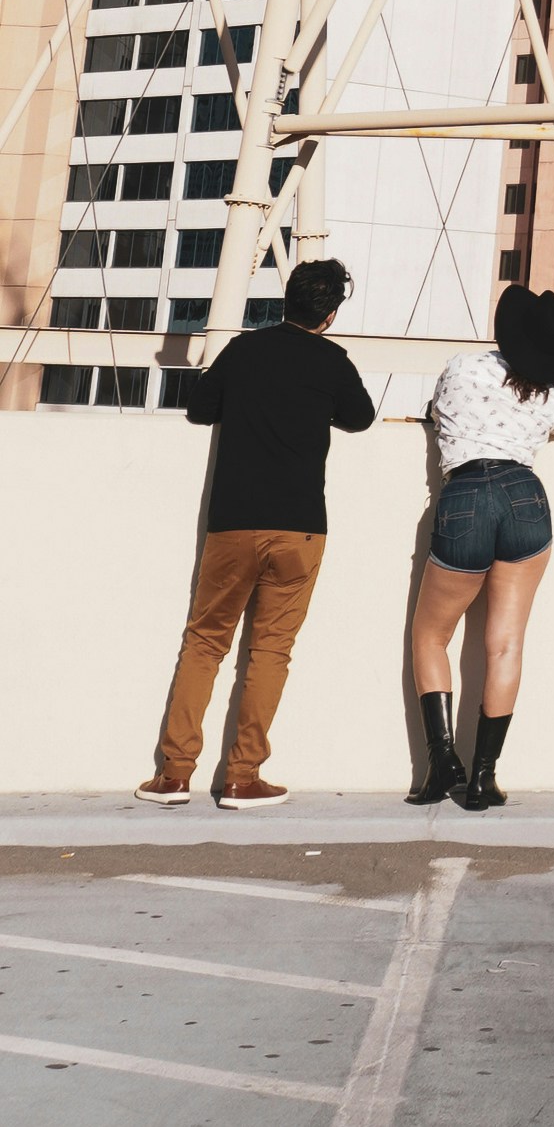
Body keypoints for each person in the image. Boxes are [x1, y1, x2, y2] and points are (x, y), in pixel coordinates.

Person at [135, 255, 374, 811]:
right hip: (300, 529)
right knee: (270, 651)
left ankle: (173, 775)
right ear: (332, 314)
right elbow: (360, 418)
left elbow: (199, 411)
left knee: (204, 643)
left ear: (285, 301)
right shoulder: (333, 360)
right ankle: (243, 778)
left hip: (233, 523)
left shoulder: (243, 349)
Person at [409, 283, 554, 812]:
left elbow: (435, 416)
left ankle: (443, 763)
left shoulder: (462, 367)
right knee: (506, 644)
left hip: (466, 493)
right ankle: (485, 777)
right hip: (526, 497)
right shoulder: (546, 392)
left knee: (430, 636)